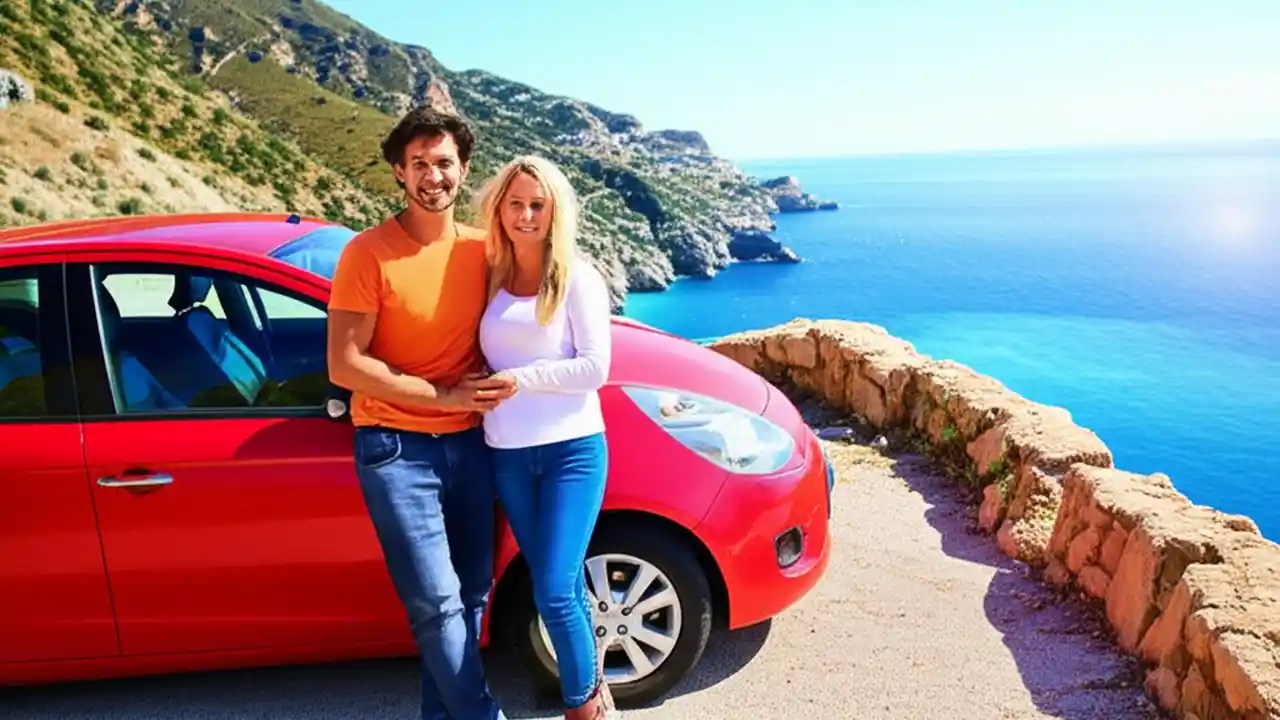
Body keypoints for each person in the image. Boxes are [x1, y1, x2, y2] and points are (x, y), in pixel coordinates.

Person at [326, 106, 515, 720]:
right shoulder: (367, 254)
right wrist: (446, 398)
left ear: (463, 170)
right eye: (419, 165)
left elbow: (522, 321)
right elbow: (346, 364)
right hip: (396, 448)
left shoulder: (484, 251)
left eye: (444, 163)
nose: (433, 176)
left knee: (471, 595)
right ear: (398, 173)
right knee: (436, 602)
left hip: (472, 443)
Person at [472, 155, 614, 720]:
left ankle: (585, 706)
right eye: (516, 204)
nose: (526, 215)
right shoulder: (489, 275)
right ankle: (594, 681)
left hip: (571, 453)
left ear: (555, 211)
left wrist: (517, 381)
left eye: (538, 205)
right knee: (562, 584)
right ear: (499, 209)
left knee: (553, 590)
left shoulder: (578, 277)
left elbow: (594, 368)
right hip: (506, 453)